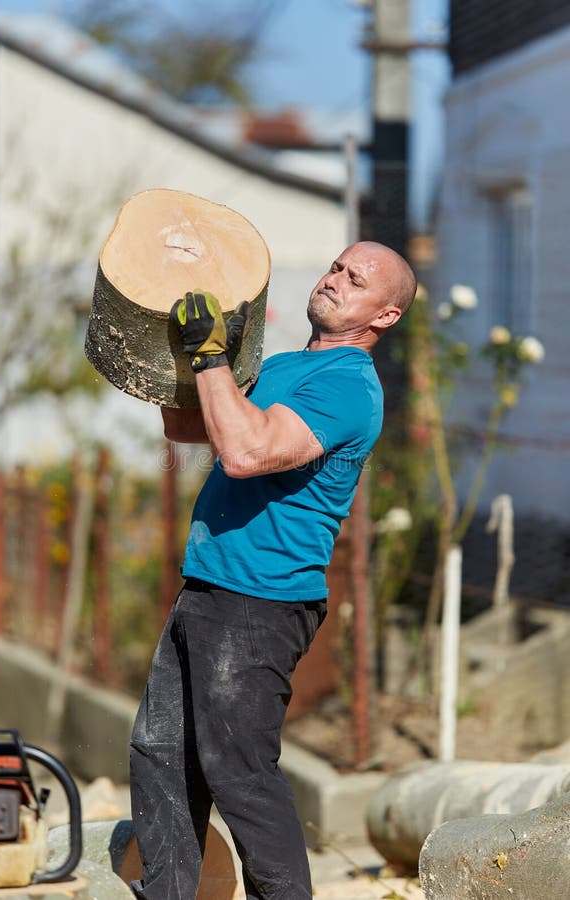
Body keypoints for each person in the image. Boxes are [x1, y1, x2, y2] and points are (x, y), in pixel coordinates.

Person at [129, 241, 417, 900]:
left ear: (387, 315)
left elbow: (247, 451)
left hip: (260, 602)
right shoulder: (284, 365)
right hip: (209, 581)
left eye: (358, 278)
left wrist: (212, 360)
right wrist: (192, 357)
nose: (336, 279)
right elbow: (188, 427)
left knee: (237, 768)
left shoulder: (347, 383)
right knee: (161, 751)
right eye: (337, 266)